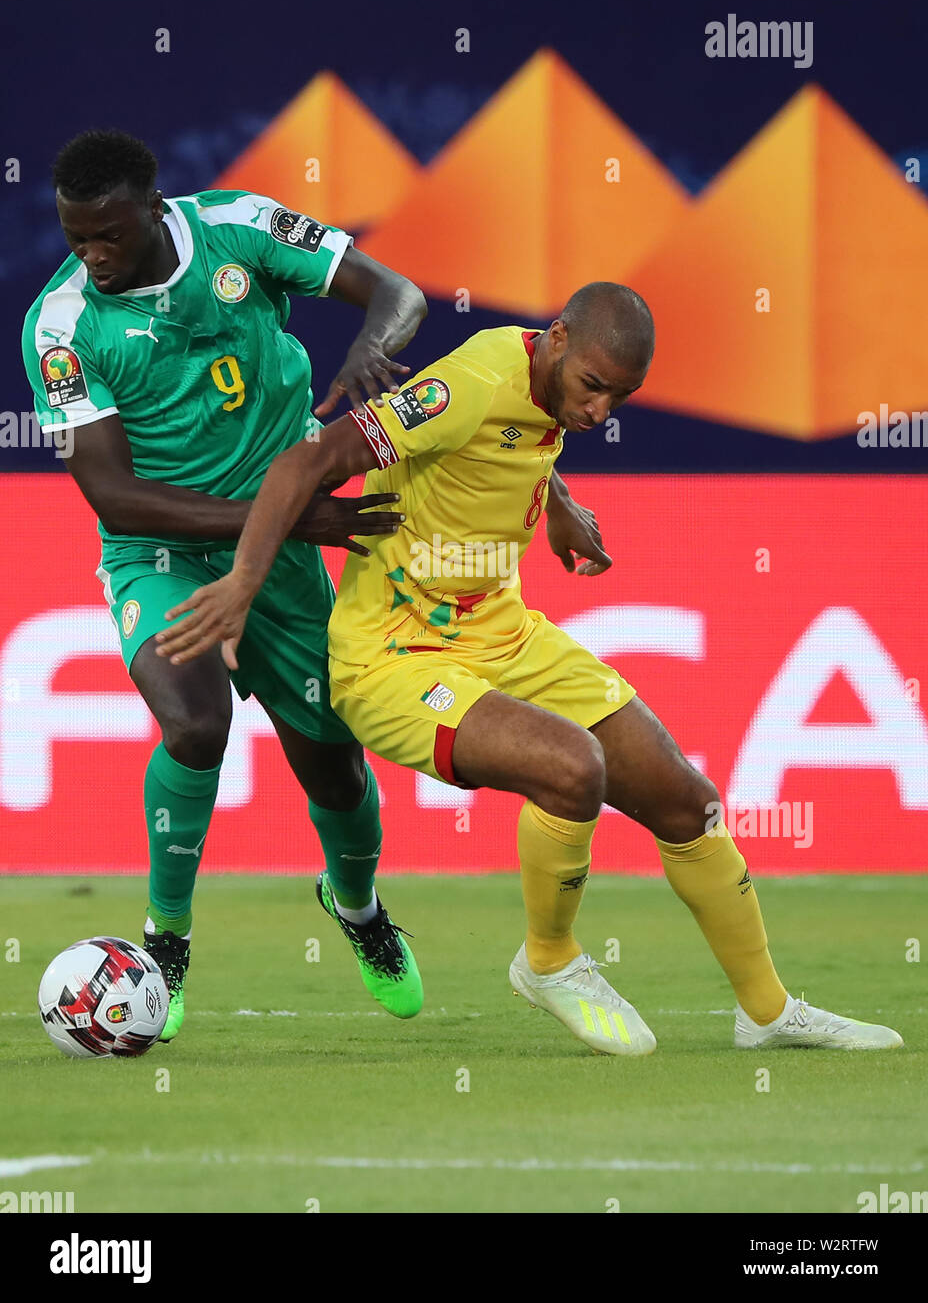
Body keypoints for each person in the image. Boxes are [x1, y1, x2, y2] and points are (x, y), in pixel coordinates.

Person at [153, 282, 903, 1055]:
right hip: (393, 657)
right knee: (572, 769)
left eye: (621, 397)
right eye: (594, 388)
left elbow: (518, 441)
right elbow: (304, 462)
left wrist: (560, 503)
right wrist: (244, 582)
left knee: (690, 803)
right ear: (557, 338)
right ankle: (548, 962)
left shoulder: (550, 379)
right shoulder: (465, 388)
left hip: (505, 634)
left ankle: (767, 1011)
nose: (600, 413)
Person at [22, 129, 428, 1042]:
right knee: (197, 724)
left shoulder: (242, 229)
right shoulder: (61, 326)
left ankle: (358, 910)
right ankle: (165, 941)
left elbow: (398, 295)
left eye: (109, 238)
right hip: (160, 551)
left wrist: (371, 350)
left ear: (154, 213)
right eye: (75, 239)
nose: (92, 257)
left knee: (332, 753)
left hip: (282, 553)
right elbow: (113, 494)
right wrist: (277, 520)